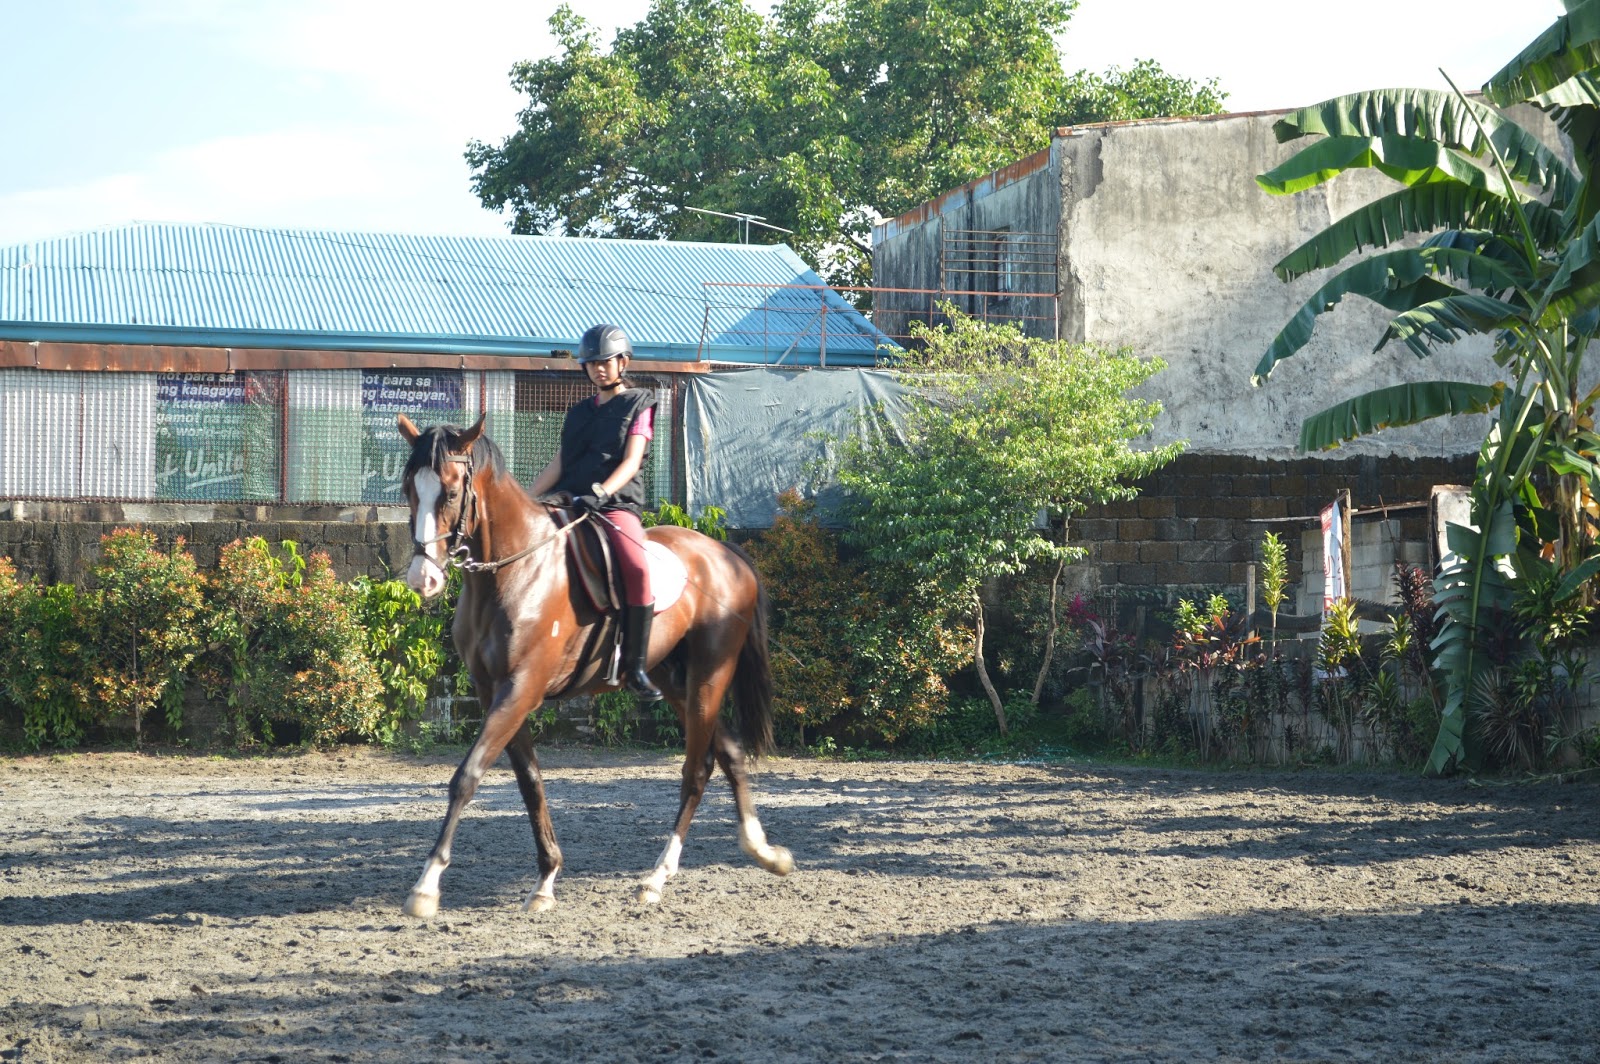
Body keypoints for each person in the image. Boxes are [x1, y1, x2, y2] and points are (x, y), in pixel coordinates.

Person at [529, 323, 663, 702]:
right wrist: (529, 497)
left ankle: (635, 668)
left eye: (606, 362)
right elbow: (559, 463)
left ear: (623, 362)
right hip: (568, 499)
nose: (599, 369)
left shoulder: (641, 403)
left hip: (615, 505)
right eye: (592, 364)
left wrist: (602, 492)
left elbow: (633, 460)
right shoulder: (577, 413)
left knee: (637, 566)